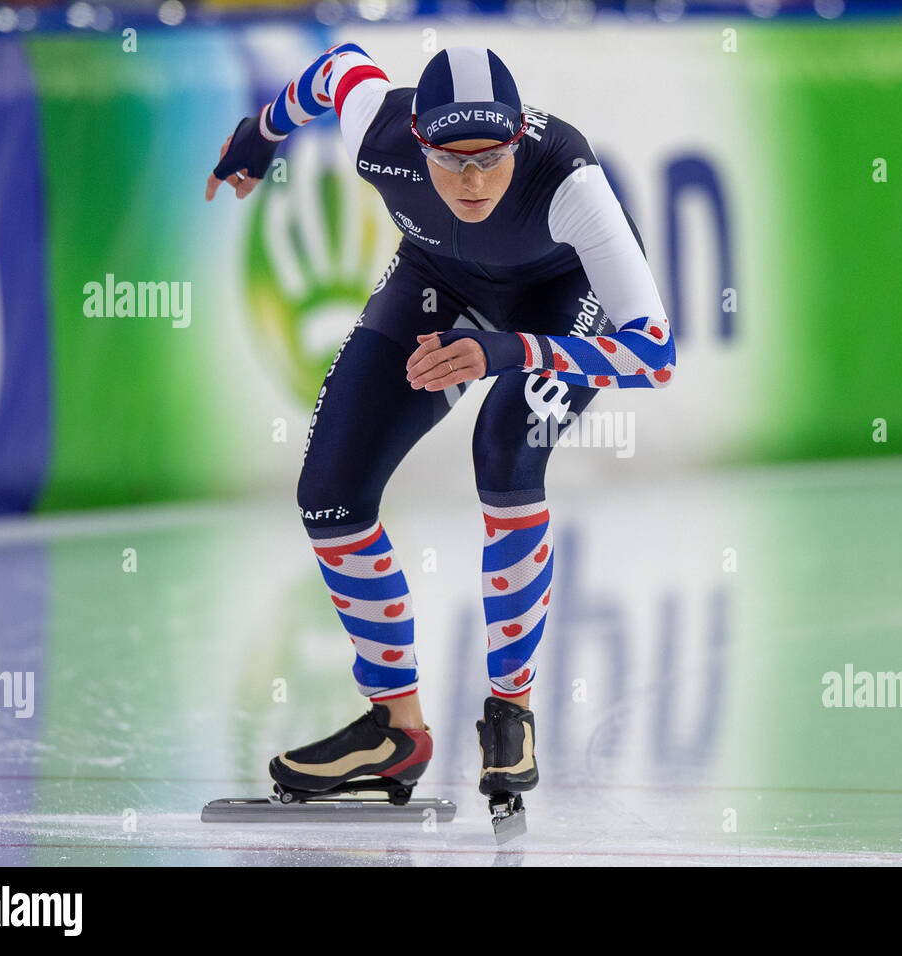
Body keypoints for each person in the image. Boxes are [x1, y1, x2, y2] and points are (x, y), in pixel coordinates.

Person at [204, 43, 675, 828]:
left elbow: (654, 352)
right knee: (330, 495)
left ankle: (510, 716)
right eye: (448, 161)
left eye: (489, 159)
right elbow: (337, 70)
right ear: (414, 141)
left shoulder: (571, 184)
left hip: (563, 302)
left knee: (505, 447)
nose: (470, 180)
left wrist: (508, 349)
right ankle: (396, 730)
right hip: (439, 284)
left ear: (518, 139)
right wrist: (264, 129)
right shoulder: (377, 135)